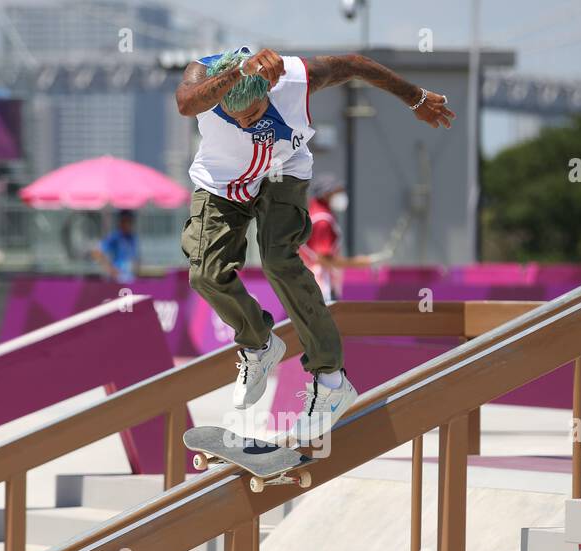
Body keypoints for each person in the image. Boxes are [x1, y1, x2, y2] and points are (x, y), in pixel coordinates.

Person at [176, 46, 453, 442]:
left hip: (281, 171)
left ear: (268, 89)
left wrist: (416, 98)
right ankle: (258, 345)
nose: (247, 124)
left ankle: (331, 380)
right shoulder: (201, 80)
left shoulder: (294, 77)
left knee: (278, 259)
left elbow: (355, 65)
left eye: (254, 114)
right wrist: (234, 79)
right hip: (221, 182)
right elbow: (186, 103)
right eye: (237, 119)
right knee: (205, 274)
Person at [299, 173, 375, 302]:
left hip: (309, 283)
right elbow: (324, 259)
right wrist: (359, 262)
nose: (342, 195)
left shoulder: (313, 214)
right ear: (326, 194)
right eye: (338, 192)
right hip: (321, 285)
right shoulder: (322, 221)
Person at [93, 209, 141, 283]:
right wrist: (110, 269)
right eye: (125, 221)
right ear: (121, 222)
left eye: (130, 221)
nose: (128, 224)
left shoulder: (132, 238)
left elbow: (135, 258)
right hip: (117, 279)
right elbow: (96, 252)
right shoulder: (115, 237)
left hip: (130, 278)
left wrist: (136, 267)